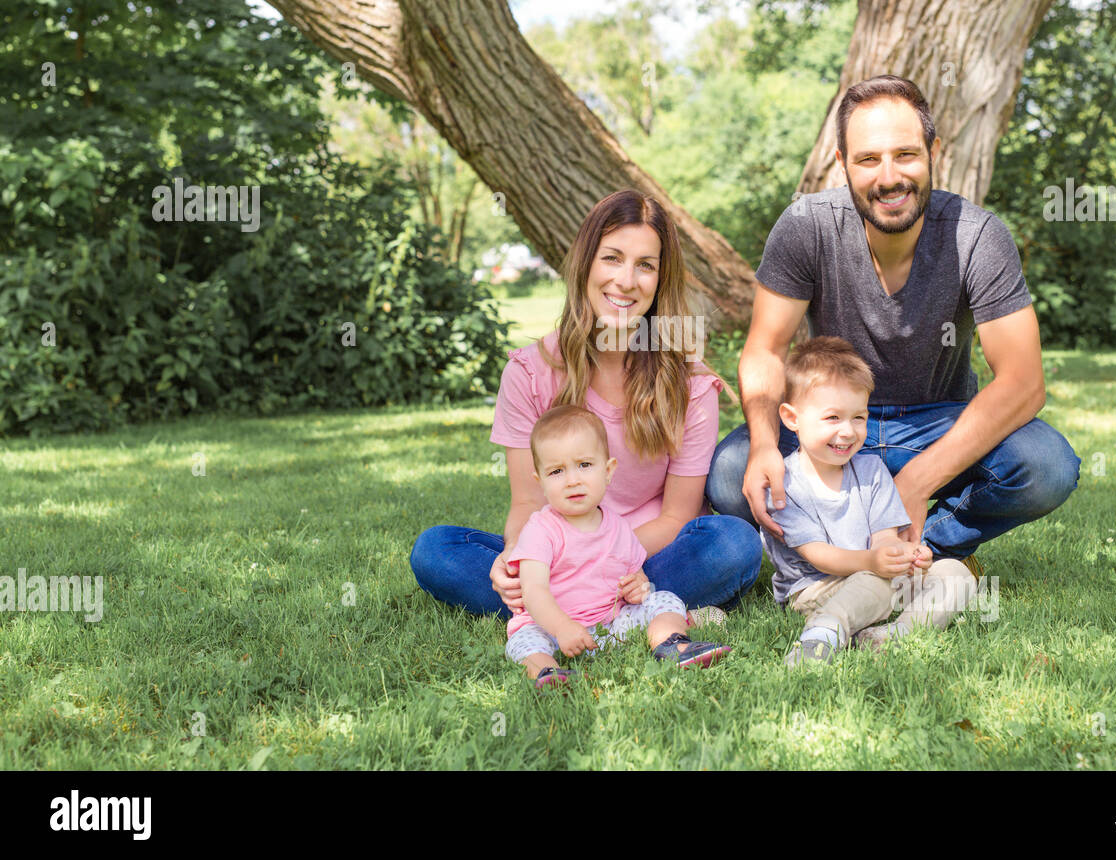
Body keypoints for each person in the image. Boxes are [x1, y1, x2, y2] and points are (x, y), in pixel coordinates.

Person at [707, 74, 1082, 566]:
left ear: (934, 153)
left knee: (1047, 465)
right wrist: (762, 444)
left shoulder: (978, 236)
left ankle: (927, 545)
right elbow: (764, 350)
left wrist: (914, 484)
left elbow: (1024, 383)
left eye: (905, 154)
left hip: (938, 422)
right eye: (868, 159)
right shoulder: (805, 226)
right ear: (842, 164)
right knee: (730, 472)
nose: (888, 178)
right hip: (829, 421)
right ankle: (858, 546)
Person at [412, 189, 761, 626]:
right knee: (436, 550)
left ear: (661, 279)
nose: (627, 280)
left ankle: (576, 610)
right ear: (586, 264)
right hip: (556, 560)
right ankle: (639, 611)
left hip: (642, 559)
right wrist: (518, 558)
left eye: (646, 265)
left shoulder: (689, 382)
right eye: (612, 258)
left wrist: (603, 558)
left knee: (733, 544)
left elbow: (678, 515)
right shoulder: (529, 372)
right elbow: (526, 503)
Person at [766, 337, 977, 665]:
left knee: (955, 573)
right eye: (833, 418)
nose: (848, 432)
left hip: (876, 576)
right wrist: (875, 564)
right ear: (792, 418)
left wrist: (906, 556)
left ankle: (896, 633)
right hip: (815, 588)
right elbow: (819, 556)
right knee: (876, 583)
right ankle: (822, 632)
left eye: (859, 418)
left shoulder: (872, 471)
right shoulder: (786, 482)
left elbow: (884, 539)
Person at [507, 405, 732, 689]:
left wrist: (638, 586)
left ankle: (672, 643)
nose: (572, 480)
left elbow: (635, 574)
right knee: (525, 641)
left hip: (610, 623)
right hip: (550, 626)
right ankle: (548, 674)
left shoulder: (617, 526)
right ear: (540, 482)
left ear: (608, 470)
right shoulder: (540, 530)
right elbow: (533, 591)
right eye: (556, 471)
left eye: (585, 465)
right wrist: (561, 627)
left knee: (662, 598)